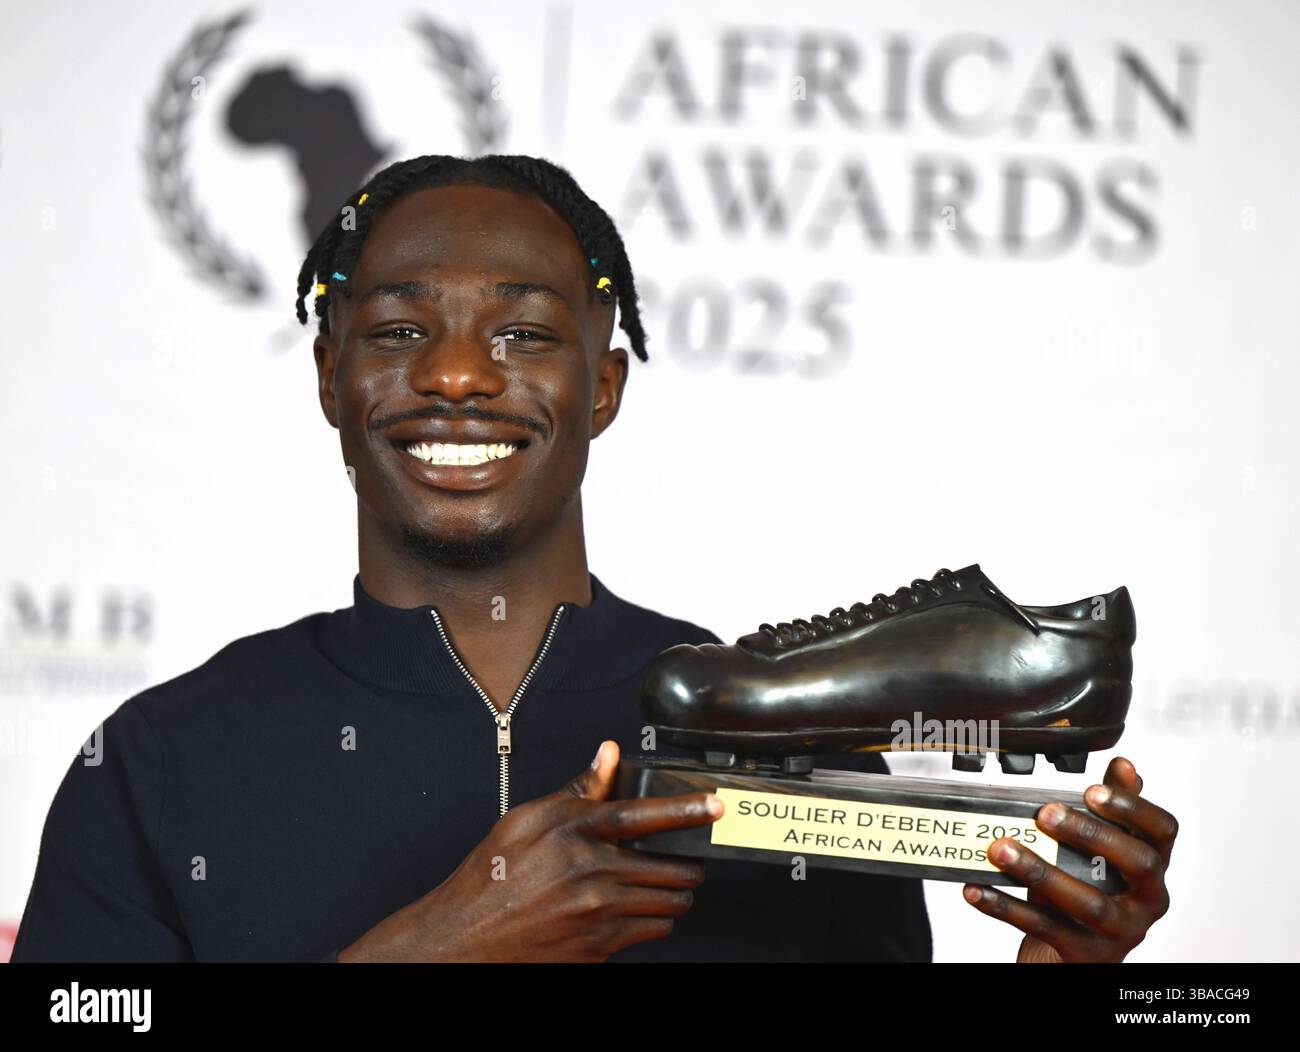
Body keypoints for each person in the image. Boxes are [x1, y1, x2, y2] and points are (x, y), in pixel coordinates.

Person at [9, 154, 1175, 963]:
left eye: (522, 331)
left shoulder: (786, 746)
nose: (457, 374)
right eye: (401, 330)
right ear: (329, 377)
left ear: (602, 386)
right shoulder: (159, 762)